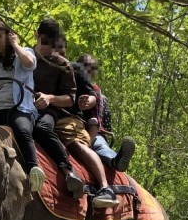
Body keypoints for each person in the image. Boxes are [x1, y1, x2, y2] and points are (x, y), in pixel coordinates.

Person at [35, 27, 118, 208]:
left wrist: (87, 101)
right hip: (41, 116)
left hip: (68, 120)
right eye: (54, 46)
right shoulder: (36, 65)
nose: (57, 51)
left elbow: (93, 95)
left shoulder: (73, 69)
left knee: (76, 144)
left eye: (61, 48)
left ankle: (105, 188)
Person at [0, 19, 45, 194]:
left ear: (8, 36)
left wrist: (15, 44)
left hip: (20, 109)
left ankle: (33, 168)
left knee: (22, 129)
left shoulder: (25, 53)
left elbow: (30, 63)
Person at [53, 40, 135, 173]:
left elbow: (95, 121)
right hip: (77, 127)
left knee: (100, 146)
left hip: (94, 132)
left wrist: (88, 142)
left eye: (90, 69)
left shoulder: (95, 91)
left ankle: (115, 161)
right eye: (84, 67)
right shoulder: (70, 82)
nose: (87, 71)